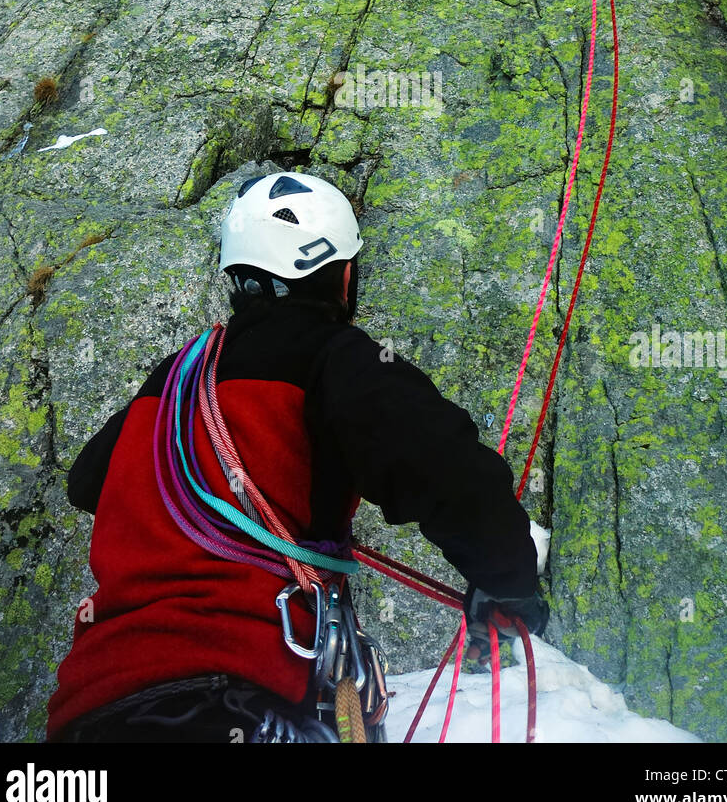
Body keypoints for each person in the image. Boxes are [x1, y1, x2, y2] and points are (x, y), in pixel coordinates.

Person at [45, 172, 549, 744]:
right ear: (342, 273)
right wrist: (507, 578)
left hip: (91, 712)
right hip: (238, 691)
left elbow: (87, 481)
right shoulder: (335, 358)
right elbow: (441, 463)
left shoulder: (176, 377)